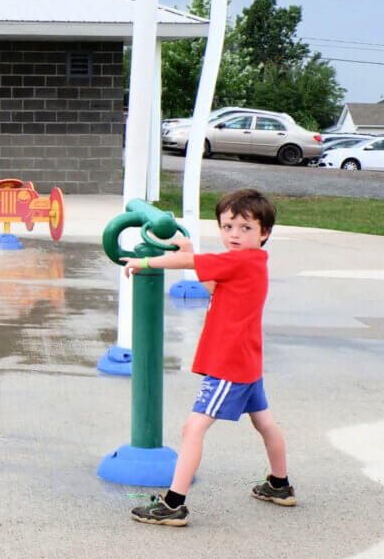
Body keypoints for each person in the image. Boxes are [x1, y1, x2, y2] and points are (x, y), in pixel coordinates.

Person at [124, 187, 293, 526]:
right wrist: (188, 250)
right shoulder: (252, 262)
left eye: (246, 228)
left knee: (193, 427)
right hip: (246, 360)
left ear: (265, 233)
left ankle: (173, 504)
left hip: (229, 363)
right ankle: (279, 484)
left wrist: (144, 261)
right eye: (228, 226)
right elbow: (213, 284)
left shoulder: (241, 259)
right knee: (264, 422)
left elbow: (190, 263)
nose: (234, 235)